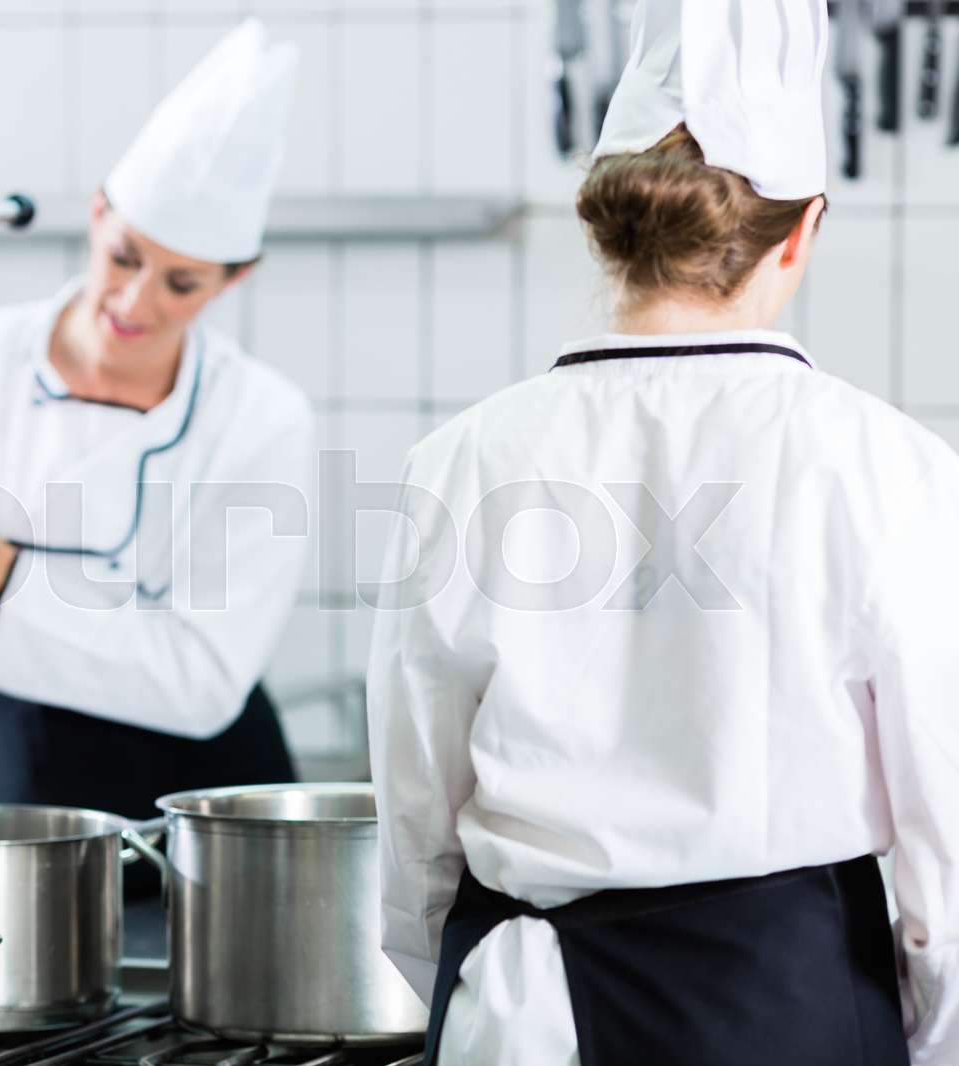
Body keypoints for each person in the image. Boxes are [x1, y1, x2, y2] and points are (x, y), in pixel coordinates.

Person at [367, 1, 956, 1063]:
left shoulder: (458, 460)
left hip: (523, 1010)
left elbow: (415, 816)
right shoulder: (888, 468)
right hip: (788, 1006)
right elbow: (944, 835)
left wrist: (460, 989)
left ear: (603, 225)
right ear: (806, 228)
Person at [0, 20, 312, 826]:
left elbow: (200, 682)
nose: (135, 303)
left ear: (234, 281)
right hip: (33, 773)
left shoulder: (262, 417)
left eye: (182, 283)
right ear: (98, 215)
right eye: (125, 257)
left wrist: (0, 567)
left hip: (208, 805)